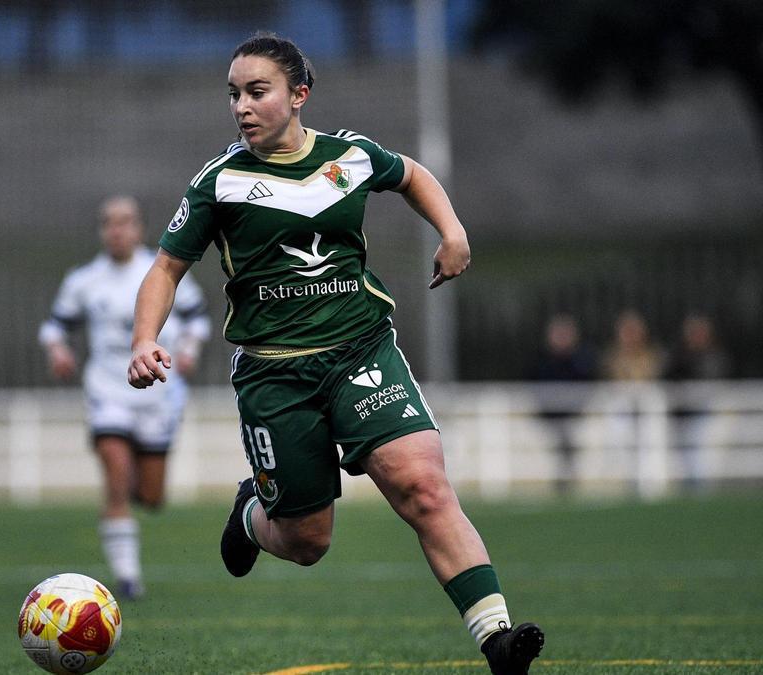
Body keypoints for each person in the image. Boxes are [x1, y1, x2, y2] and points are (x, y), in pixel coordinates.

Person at [126, 33, 542, 673]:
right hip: (274, 374)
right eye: (234, 94)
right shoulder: (221, 181)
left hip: (361, 351)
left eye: (257, 92)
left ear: (299, 94)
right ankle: (250, 517)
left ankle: (497, 636)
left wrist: (453, 231)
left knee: (424, 487)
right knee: (306, 541)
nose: (242, 106)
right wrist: (144, 339)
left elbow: (411, 174)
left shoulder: (349, 156)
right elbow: (164, 268)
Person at [40, 195, 210, 600]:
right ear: (102, 230)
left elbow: (198, 319)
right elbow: (54, 327)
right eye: (109, 223)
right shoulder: (83, 280)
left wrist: (189, 349)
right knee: (116, 476)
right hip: (107, 392)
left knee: (151, 497)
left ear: (139, 228)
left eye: (125, 222)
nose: (117, 230)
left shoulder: (161, 271)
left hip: (159, 396)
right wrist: (58, 350)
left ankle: (132, 495)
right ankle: (128, 579)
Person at [531, 313, 596, 493]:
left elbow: (587, 386)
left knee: (569, 438)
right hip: (549, 417)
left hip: (575, 416)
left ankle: (567, 480)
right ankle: (561, 480)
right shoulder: (542, 360)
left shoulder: (581, 359)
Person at [664, 313, 731, 490]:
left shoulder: (714, 355)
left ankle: (699, 486)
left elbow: (716, 381)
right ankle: (689, 484)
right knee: (684, 449)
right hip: (682, 409)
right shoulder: (678, 353)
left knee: (700, 448)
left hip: (705, 408)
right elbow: (669, 376)